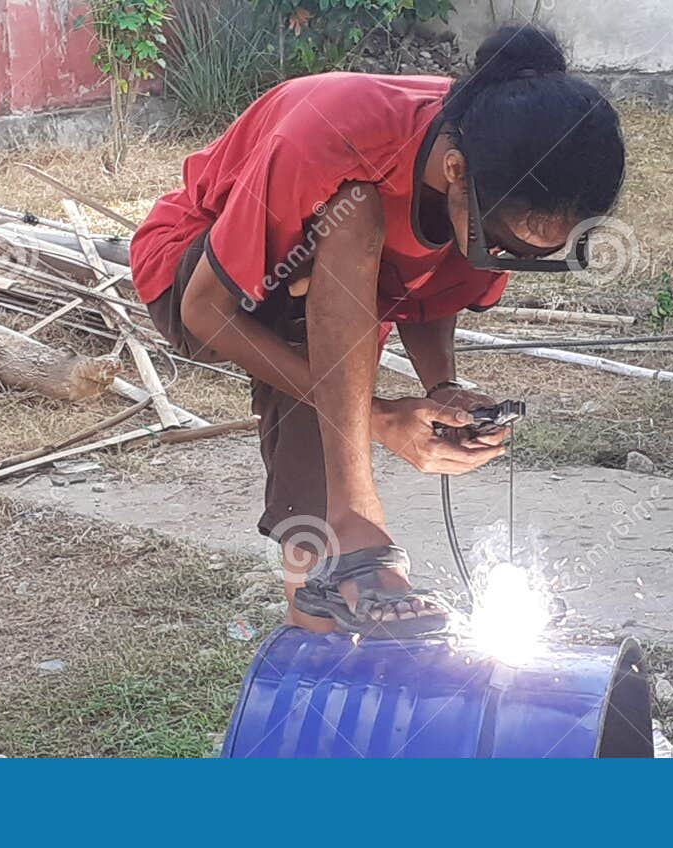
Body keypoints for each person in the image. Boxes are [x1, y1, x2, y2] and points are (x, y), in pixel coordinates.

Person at [131, 24, 626, 638]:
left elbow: (434, 274)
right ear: (455, 170)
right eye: (503, 244)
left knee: (332, 354)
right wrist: (375, 417)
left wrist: (441, 387)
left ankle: (321, 606)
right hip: (199, 275)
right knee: (355, 217)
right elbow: (205, 313)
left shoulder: (490, 131)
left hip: (324, 291)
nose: (503, 258)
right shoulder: (332, 140)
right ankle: (354, 531)